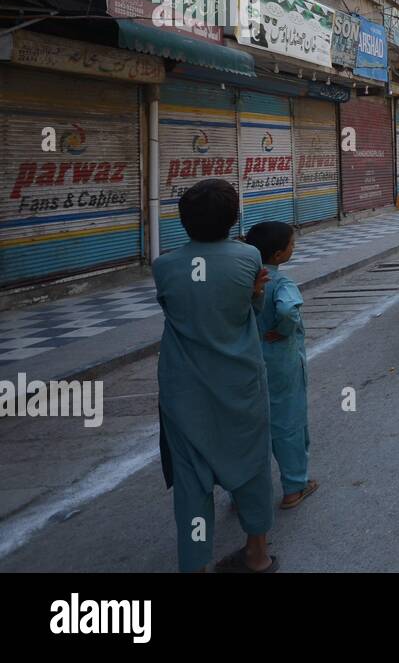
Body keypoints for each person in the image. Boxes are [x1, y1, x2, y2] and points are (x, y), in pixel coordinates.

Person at [152, 178, 277, 572]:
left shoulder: (164, 266)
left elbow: (178, 311)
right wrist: (254, 296)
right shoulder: (249, 258)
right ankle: (257, 554)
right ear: (233, 218)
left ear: (184, 221)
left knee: (191, 483)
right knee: (253, 465)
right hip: (239, 382)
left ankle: (196, 564)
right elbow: (246, 311)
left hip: (183, 388)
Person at [244, 221, 317, 511]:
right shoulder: (281, 283)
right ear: (277, 255)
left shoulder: (245, 282)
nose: (294, 248)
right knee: (288, 423)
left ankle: (245, 494)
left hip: (249, 359)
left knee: (251, 427)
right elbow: (287, 310)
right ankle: (294, 487)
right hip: (282, 361)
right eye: (292, 245)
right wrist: (285, 329)